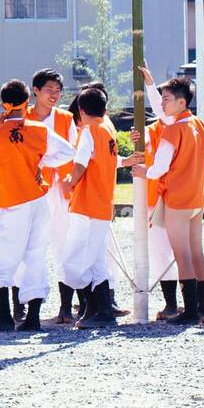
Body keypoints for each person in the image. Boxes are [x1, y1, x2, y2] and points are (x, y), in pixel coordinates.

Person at [0, 78, 75, 333]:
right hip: (38, 198)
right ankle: (32, 317)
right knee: (35, 256)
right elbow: (67, 152)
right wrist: (40, 163)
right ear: (28, 101)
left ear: (4, 104)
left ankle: (4, 316)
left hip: (13, 200)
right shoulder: (40, 130)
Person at [122, 70, 204, 323]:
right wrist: (151, 84)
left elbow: (159, 168)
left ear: (181, 102)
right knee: (196, 254)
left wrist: (142, 171)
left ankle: (191, 313)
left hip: (178, 199)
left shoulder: (172, 131)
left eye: (167, 99)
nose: (162, 103)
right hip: (195, 198)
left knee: (182, 256)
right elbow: (162, 114)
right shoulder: (197, 124)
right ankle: (203, 310)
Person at [62, 87, 120, 328]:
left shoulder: (89, 131)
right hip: (102, 203)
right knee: (96, 260)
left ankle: (93, 306)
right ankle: (101, 310)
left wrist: (69, 183)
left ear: (81, 111)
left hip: (86, 204)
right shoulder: (108, 129)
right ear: (105, 109)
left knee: (72, 263)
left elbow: (80, 164)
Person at [24, 69, 77, 322]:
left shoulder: (66, 119)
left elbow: (76, 154)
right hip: (31, 189)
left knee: (63, 244)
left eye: (57, 91)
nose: (54, 95)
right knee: (28, 244)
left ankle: (66, 307)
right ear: (35, 90)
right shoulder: (22, 117)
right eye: (49, 90)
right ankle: (21, 305)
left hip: (61, 189)